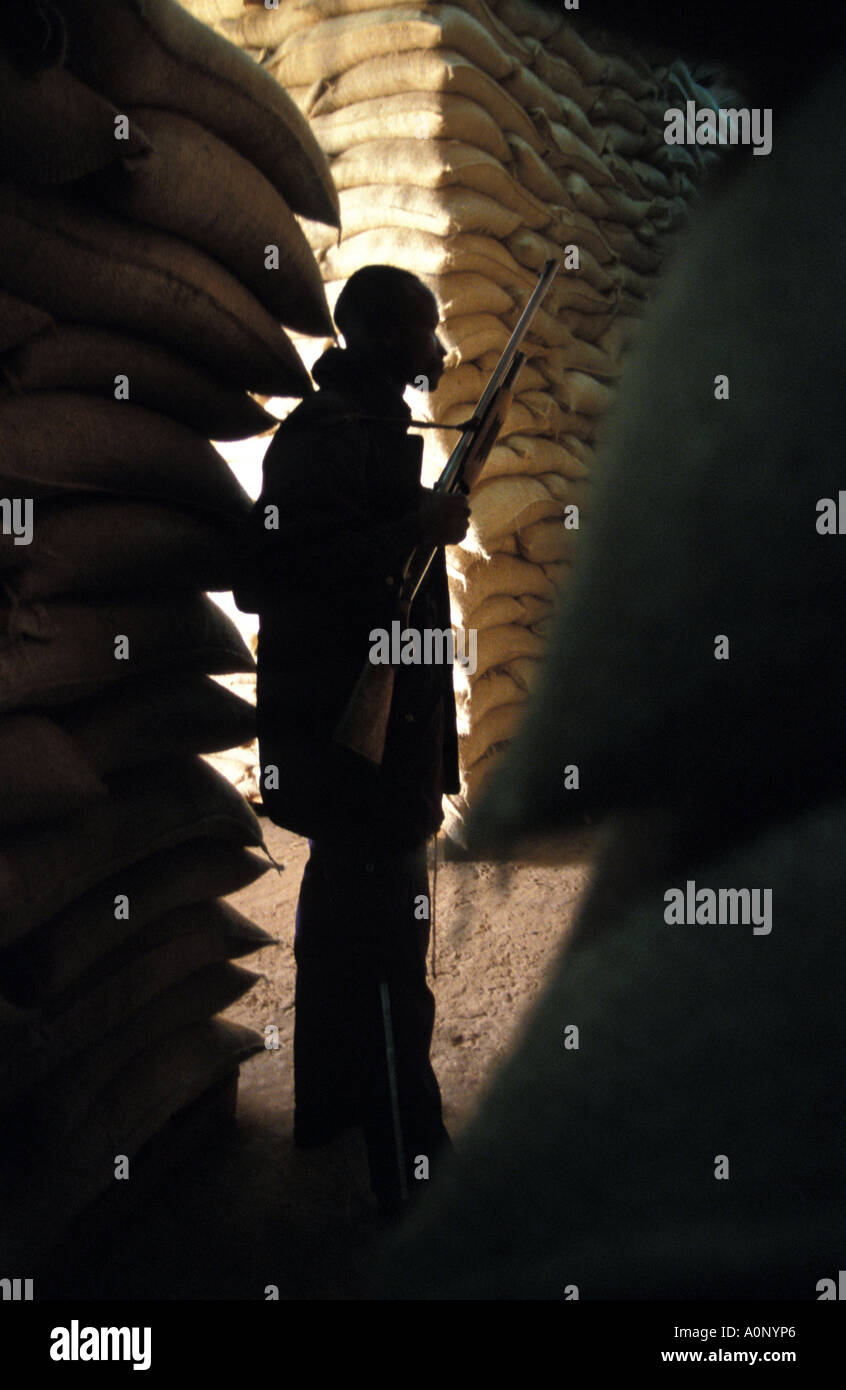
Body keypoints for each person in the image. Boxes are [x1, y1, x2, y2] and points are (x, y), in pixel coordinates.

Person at [233, 265, 470, 1217]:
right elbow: (262, 575)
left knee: (337, 935)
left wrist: (417, 523)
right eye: (421, 330)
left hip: (370, 739)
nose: (435, 348)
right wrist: (411, 530)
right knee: (390, 957)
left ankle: (326, 1110)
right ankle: (413, 1168)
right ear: (373, 336)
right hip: (356, 744)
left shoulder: (372, 430)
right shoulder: (321, 439)